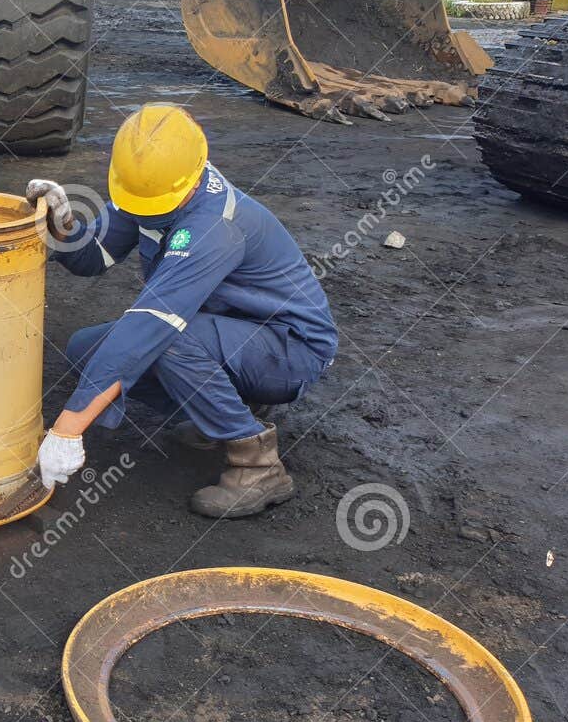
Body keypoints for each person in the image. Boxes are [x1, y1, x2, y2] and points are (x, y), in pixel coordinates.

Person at [28, 103, 337, 518]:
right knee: (87, 349)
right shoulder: (150, 192)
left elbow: (154, 323)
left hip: (288, 350)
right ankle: (226, 407)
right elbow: (94, 257)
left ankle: (257, 464)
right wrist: (62, 226)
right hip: (231, 332)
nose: (143, 208)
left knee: (168, 341)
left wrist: (67, 430)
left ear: (190, 179)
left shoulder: (212, 226)